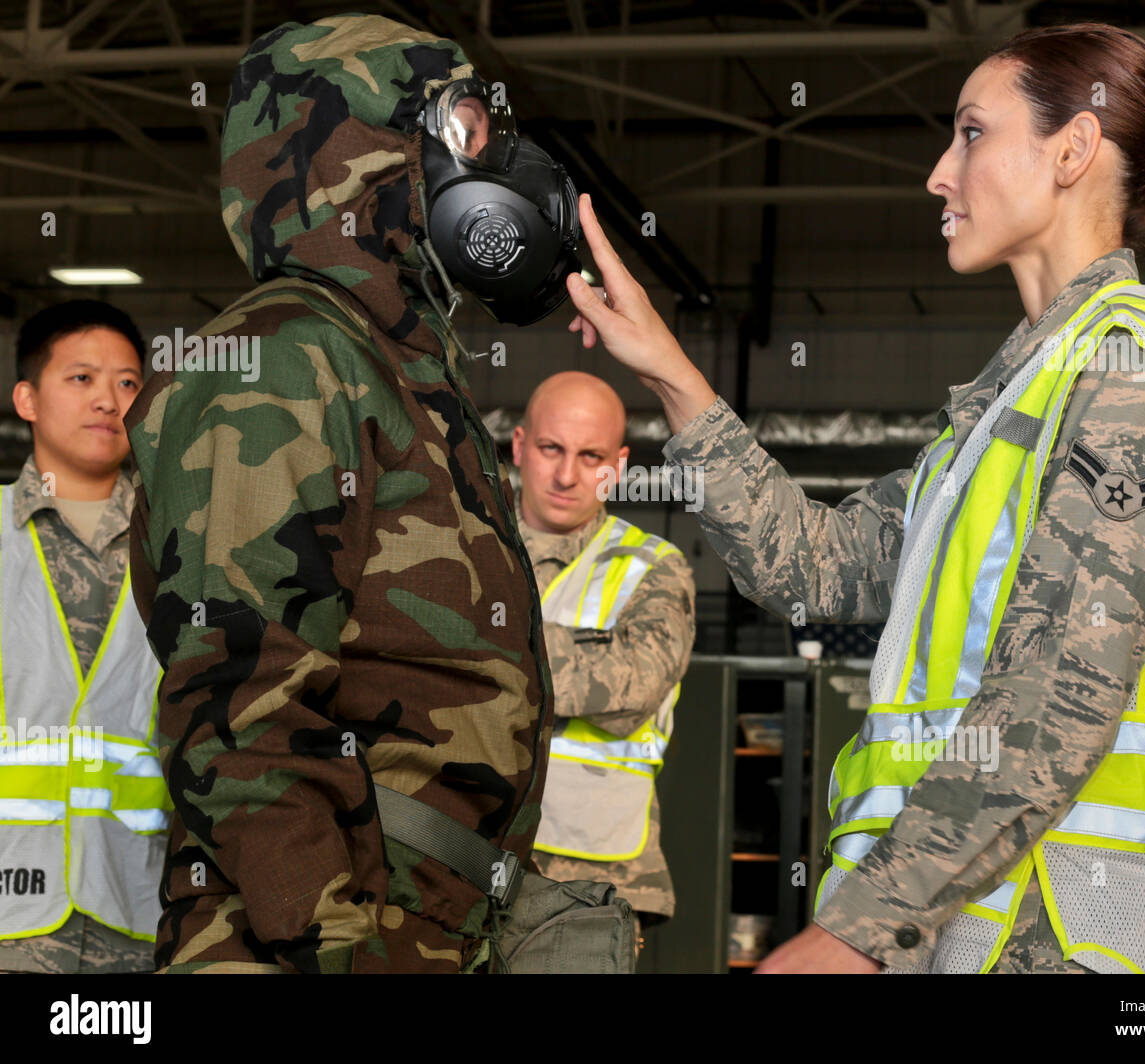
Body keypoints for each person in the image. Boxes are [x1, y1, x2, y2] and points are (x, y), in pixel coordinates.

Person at [561, 22, 1145, 974]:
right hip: (973, 929)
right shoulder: (1011, 409)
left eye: (970, 133)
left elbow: (1058, 699)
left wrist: (856, 932)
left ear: (1073, 150)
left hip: (1063, 936)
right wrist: (671, 371)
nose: (937, 173)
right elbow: (815, 564)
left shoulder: (1127, 379)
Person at [125, 14, 583, 972]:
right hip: (309, 941)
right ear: (361, 154)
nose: (490, 163)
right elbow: (238, 705)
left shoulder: (394, 367)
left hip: (414, 924)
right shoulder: (277, 362)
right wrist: (333, 942)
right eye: (459, 130)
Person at [0, 300, 166, 973]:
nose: (109, 400)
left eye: (128, 383)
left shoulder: (182, 548)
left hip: (139, 913)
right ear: (27, 398)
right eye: (82, 379)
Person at [512, 371, 695, 946]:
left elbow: (630, 690)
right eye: (550, 449)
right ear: (518, 446)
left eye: (590, 456)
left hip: (591, 876)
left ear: (616, 465)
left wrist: (480, 650)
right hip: (456, 850)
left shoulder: (655, 567)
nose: (567, 475)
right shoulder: (455, 543)